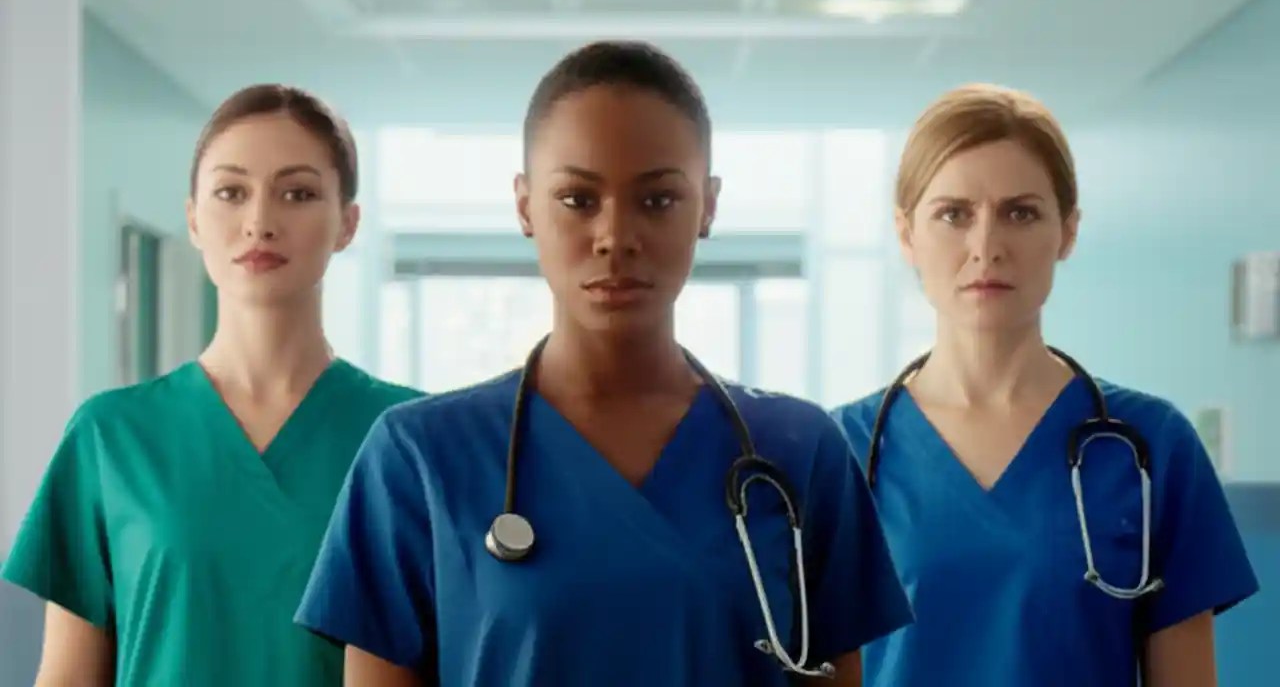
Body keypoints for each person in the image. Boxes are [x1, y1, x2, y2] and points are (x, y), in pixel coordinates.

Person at [294, 40, 913, 687]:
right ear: (524, 205)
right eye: (577, 199)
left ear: (708, 205)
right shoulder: (418, 457)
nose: (615, 236)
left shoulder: (799, 451)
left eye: (657, 200)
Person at [830, 83, 1259, 687]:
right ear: (906, 234)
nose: (986, 247)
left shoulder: (1152, 446)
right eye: (953, 214)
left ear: (1068, 231)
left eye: (1020, 213)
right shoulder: (838, 453)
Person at [1, 83, 423, 686]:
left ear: (347, 223)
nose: (260, 222)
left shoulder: (409, 439)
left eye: (297, 194)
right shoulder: (110, 436)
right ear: (194, 218)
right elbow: (67, 677)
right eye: (231, 192)